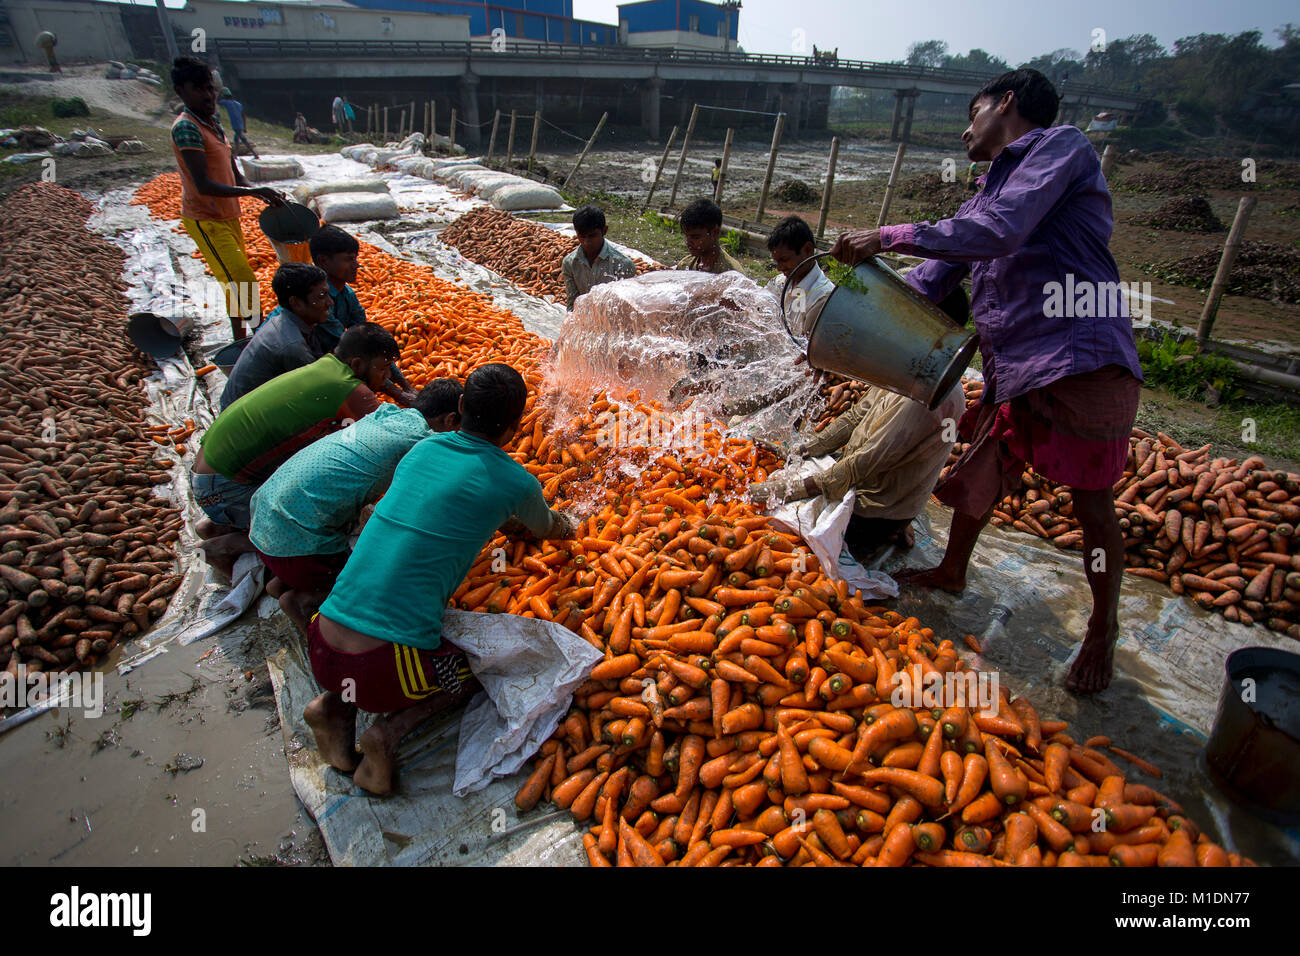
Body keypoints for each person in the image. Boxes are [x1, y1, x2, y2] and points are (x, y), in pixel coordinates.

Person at [829, 69, 1144, 695]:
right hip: (1017, 363)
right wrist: (842, 312)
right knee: (984, 465)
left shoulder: (1060, 149)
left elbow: (1001, 231)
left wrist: (887, 234)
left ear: (1006, 103)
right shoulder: (984, 195)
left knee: (1090, 502)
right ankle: (952, 569)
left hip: (1079, 353)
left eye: (972, 113)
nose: (966, 130)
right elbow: (932, 283)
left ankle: (1103, 627)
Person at [303, 364, 581, 795]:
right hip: (378, 667)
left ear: (463, 406)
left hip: (321, 640)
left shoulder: (420, 451)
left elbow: (444, 506)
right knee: (473, 672)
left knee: (366, 645)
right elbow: (546, 528)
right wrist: (573, 525)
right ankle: (386, 735)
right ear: (514, 427)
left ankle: (333, 707)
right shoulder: (515, 481)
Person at [250, 379, 463, 633]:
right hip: (295, 543)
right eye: (459, 428)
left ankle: (288, 583)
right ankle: (301, 600)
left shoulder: (387, 413)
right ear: (449, 421)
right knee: (373, 589)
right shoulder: (422, 442)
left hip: (263, 519)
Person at [191, 323, 400, 573]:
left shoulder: (327, 367)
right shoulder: (353, 391)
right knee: (318, 527)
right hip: (224, 486)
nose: (387, 377)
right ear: (356, 365)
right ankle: (225, 545)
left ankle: (217, 526)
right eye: (384, 369)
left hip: (208, 474)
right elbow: (391, 441)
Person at [749, 382, 964, 557]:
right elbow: (855, 417)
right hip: (874, 480)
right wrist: (801, 451)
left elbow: (863, 463)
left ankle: (889, 527)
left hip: (873, 511)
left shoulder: (925, 400)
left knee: (773, 525)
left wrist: (785, 490)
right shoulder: (906, 372)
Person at [170, 56, 286, 342]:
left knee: (234, 283)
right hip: (205, 218)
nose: (208, 95)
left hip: (228, 215)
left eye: (210, 88)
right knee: (243, 281)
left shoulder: (214, 125)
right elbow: (204, 184)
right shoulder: (187, 128)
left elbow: (235, 176)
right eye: (199, 89)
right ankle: (262, 338)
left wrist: (263, 192)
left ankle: (240, 339)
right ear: (181, 91)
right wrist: (252, 193)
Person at [220, 263, 332, 409]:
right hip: (247, 419)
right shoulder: (292, 346)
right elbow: (318, 392)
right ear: (296, 303)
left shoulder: (285, 321)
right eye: (322, 296)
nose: (330, 302)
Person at [767, 215, 835, 338]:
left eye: (784, 259)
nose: (779, 268)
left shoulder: (823, 298)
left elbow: (805, 351)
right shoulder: (779, 283)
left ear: (808, 250)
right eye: (776, 262)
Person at [560, 205, 637, 311]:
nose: (587, 242)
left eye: (592, 236)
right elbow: (572, 303)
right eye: (582, 236)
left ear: (604, 231)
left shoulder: (622, 264)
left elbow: (624, 308)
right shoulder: (570, 263)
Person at [675, 198, 744, 275]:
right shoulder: (685, 265)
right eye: (686, 236)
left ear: (714, 232)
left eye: (695, 237)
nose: (687, 242)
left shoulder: (731, 274)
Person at [218, 88, 258, 159]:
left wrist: (219, 93)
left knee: (243, 139)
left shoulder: (226, 102)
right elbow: (244, 115)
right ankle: (235, 155)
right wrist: (245, 127)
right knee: (236, 139)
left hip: (235, 125)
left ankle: (254, 154)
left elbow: (218, 101)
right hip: (240, 124)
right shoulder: (238, 104)